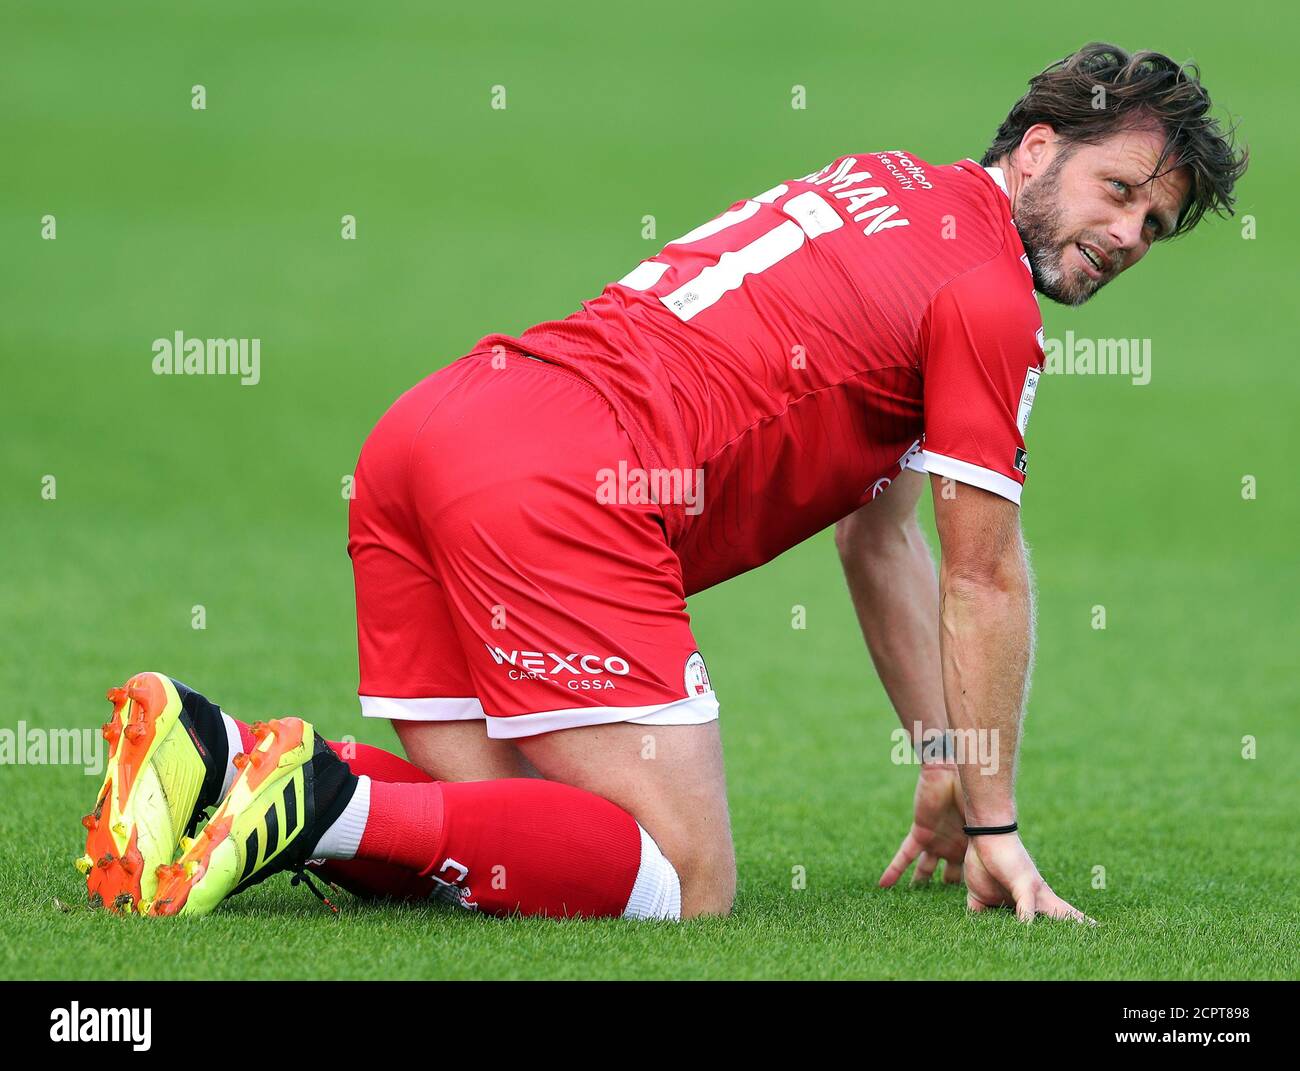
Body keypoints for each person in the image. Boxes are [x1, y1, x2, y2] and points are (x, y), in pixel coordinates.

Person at [80, 42, 1245, 923]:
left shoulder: (887, 182)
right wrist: (995, 818)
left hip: (435, 431)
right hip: (558, 486)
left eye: (1157, 222)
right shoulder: (987, 297)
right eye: (1119, 190)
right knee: (685, 879)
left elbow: (877, 541)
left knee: (495, 840)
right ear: (1037, 146)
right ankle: (319, 802)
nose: (1133, 232)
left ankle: (224, 757)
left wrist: (943, 759)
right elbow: (981, 576)